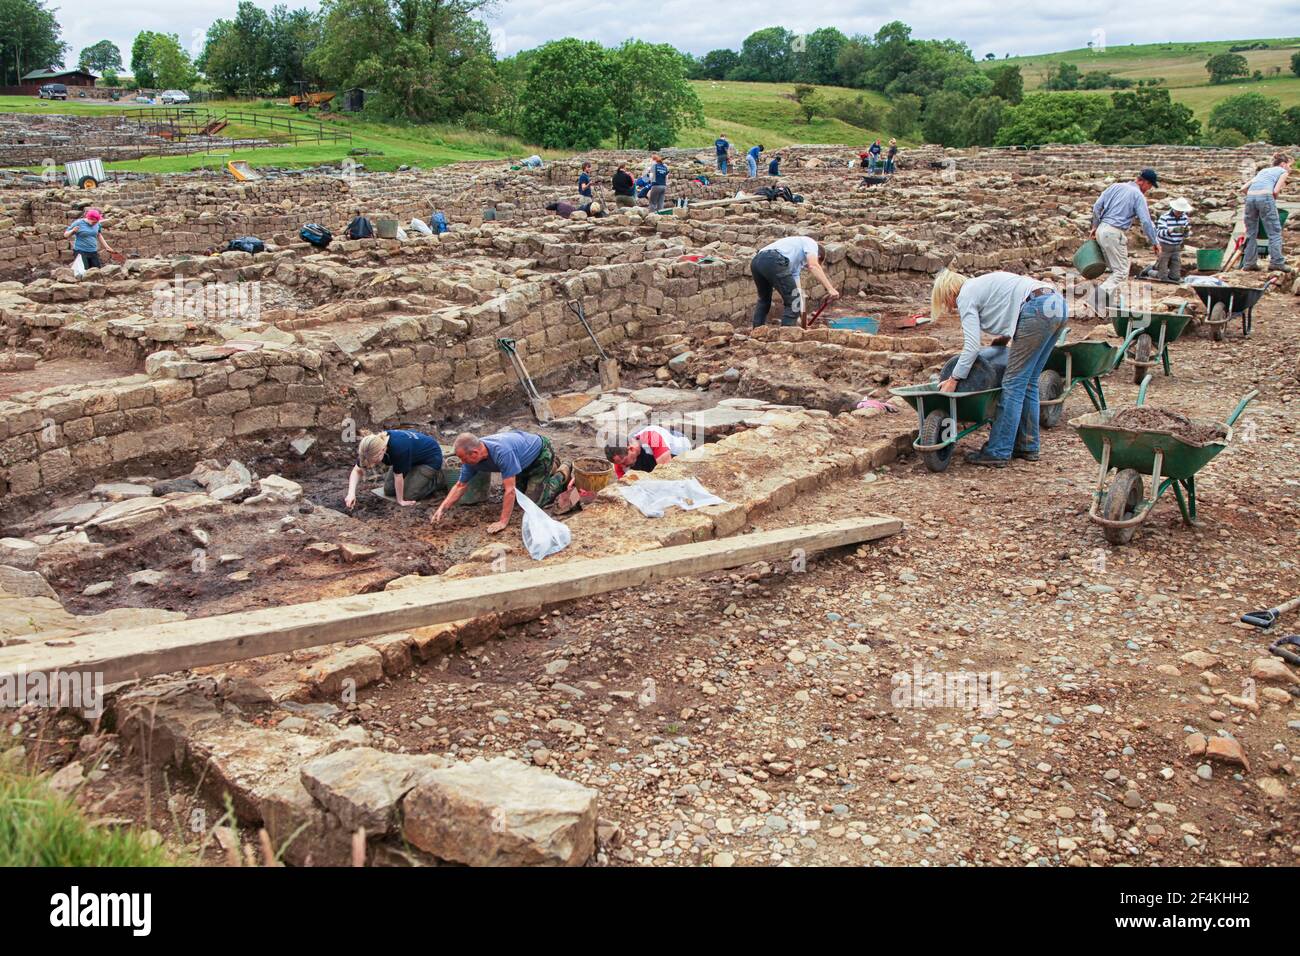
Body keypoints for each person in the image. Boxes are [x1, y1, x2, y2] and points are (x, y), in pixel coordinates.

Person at [931, 269, 1069, 467]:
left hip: (1036, 309)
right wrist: (1005, 338)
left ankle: (998, 451)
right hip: (1057, 304)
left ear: (949, 292)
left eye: (946, 302)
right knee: (1028, 381)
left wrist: (954, 379)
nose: (949, 307)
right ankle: (1027, 445)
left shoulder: (965, 295)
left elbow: (971, 347)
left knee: (1012, 384)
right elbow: (1012, 303)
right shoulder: (982, 284)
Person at [434, 431, 571, 533]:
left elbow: (509, 491)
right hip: (520, 462)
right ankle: (550, 467)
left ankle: (562, 471)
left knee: (531, 504)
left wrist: (503, 521)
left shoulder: (502, 452)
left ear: (474, 453)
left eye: (464, 459)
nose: (462, 463)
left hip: (540, 454)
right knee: (519, 498)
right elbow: (460, 485)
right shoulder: (472, 460)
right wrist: (442, 508)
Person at [1090, 168, 1160, 301]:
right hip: (1114, 232)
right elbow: (1146, 222)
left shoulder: (1115, 186)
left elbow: (1097, 206)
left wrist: (1095, 226)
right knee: (1121, 272)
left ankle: (1105, 305)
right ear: (1144, 182)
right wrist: (1155, 242)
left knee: (1114, 270)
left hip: (1102, 229)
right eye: (1150, 186)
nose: (1149, 189)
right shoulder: (1138, 195)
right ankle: (1095, 300)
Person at [751, 235, 839, 328]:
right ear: (818, 255)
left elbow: (798, 294)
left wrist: (803, 322)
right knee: (792, 302)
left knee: (764, 300)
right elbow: (813, 265)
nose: (806, 266)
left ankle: (757, 331)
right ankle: (787, 335)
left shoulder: (794, 264)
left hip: (756, 262)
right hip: (773, 259)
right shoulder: (812, 244)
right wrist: (830, 289)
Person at [345, 429, 445, 509]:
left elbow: (398, 476)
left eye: (374, 461)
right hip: (410, 458)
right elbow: (356, 470)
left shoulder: (398, 449)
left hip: (430, 458)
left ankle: (438, 479)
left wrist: (400, 501)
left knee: (409, 496)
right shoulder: (369, 448)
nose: (372, 465)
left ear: (383, 450)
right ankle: (413, 474)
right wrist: (351, 494)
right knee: (389, 490)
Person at [1242, 152, 1293, 273]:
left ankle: (1249, 263)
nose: (1290, 169)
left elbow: (1243, 188)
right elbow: (1275, 191)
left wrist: (1255, 198)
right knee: (1274, 231)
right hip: (1266, 197)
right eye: (1289, 165)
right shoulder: (1283, 172)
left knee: (1251, 232)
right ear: (1283, 164)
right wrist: (1268, 201)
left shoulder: (1263, 171)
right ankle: (1277, 262)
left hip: (1250, 198)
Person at [605, 425, 692, 478]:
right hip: (645, 451)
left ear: (631, 449)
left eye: (623, 462)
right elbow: (624, 486)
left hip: (679, 449)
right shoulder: (619, 459)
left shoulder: (652, 437)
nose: (621, 466)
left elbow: (667, 473)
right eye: (619, 464)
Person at [1154, 198, 1194, 282]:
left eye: (1181, 211)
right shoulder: (1165, 217)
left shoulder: (1184, 218)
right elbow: (1159, 233)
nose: (1180, 213)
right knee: (1163, 275)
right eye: (1178, 211)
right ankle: (1150, 271)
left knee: (1175, 275)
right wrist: (1171, 230)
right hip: (1165, 245)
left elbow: (1187, 233)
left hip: (1177, 246)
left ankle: (1172, 276)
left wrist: (1186, 233)